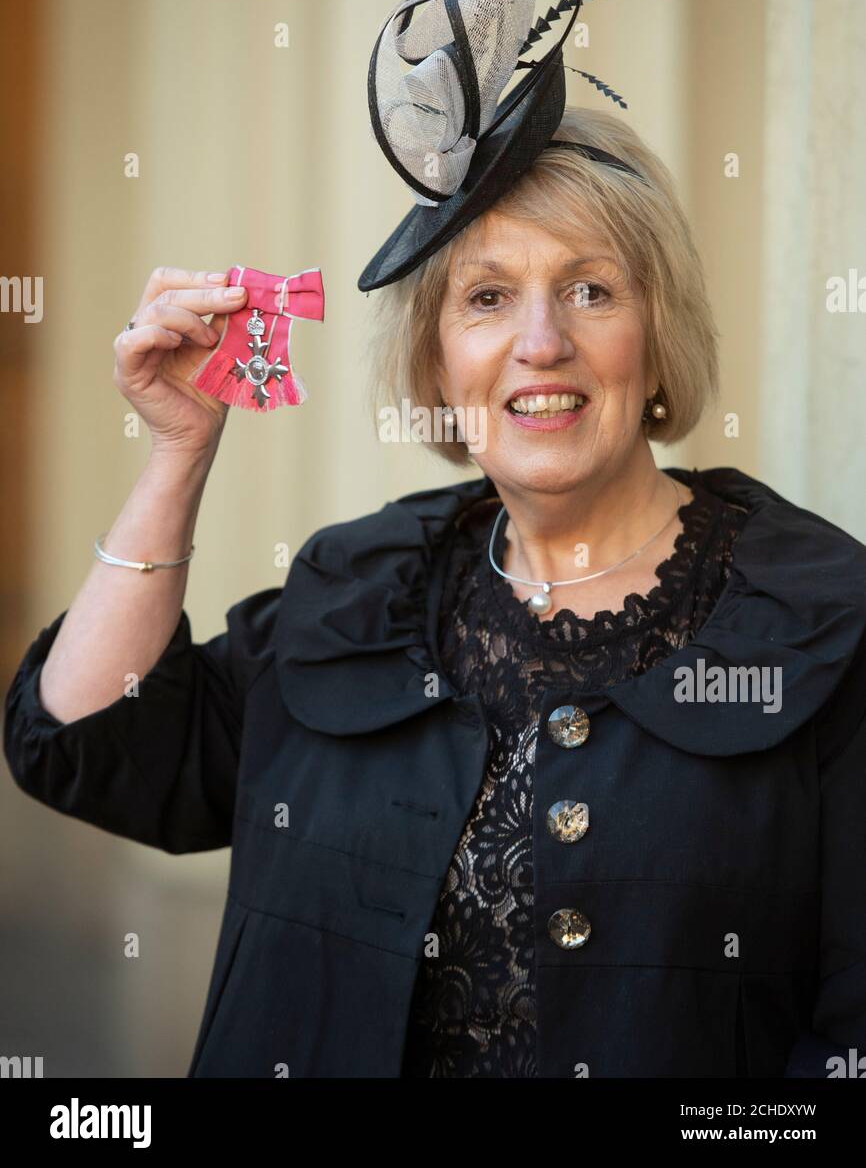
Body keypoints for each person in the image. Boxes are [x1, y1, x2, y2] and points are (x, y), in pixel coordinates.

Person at [5, 100, 866, 1078]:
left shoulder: (812, 618)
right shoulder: (359, 592)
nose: (540, 342)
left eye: (589, 290)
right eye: (487, 297)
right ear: (437, 359)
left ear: (657, 331)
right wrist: (177, 451)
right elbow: (93, 745)